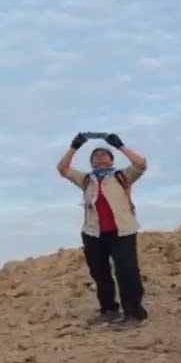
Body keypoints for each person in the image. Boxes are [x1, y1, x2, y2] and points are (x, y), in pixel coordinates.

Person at [56, 132, 150, 326]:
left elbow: (141, 164)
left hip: (122, 231)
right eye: (95, 155)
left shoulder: (122, 176)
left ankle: (134, 312)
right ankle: (109, 309)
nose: (100, 156)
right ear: (91, 163)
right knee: (100, 273)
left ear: (111, 159)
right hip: (93, 233)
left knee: (127, 271)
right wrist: (74, 147)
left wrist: (120, 145)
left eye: (104, 154)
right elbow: (63, 168)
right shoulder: (86, 180)